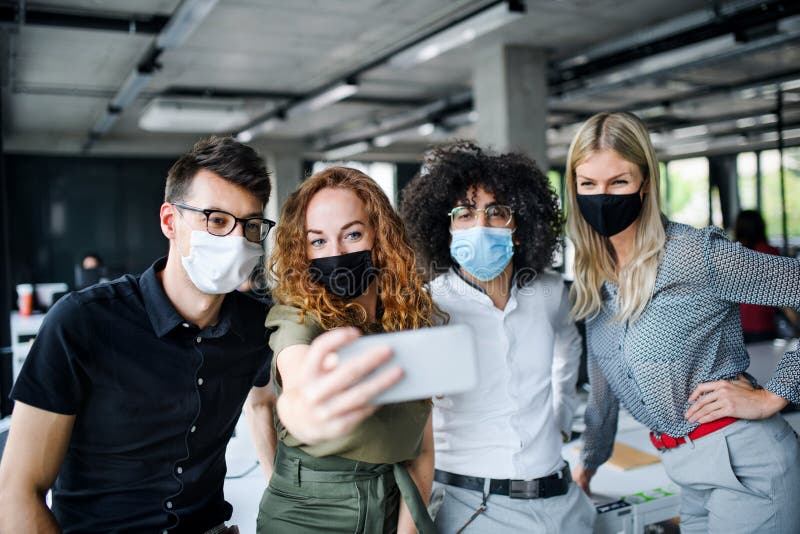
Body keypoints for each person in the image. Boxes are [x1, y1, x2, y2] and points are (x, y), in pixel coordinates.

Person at [0, 138, 400, 533]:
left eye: (249, 225)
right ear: (170, 221)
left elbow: (265, 404)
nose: (235, 240)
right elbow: (17, 490)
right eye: (216, 220)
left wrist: (279, 490)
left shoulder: (255, 327)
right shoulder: (81, 323)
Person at [566, 112, 800, 533]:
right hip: (686, 470)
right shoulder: (595, 280)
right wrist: (587, 466)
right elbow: (604, 392)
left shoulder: (692, 255)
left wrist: (773, 395)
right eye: (588, 184)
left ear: (645, 184)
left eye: (618, 182)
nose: (602, 197)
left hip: (745, 463)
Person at [400, 142, 596, 533]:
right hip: (473, 507)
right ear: (446, 227)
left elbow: (569, 346)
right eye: (465, 213)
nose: (481, 225)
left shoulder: (549, 291)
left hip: (563, 504)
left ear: (519, 225)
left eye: (497, 212)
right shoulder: (429, 308)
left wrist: (560, 419)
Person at [257, 166, 441, 534]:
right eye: (318, 241)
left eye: (352, 234)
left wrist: (407, 530)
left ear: (380, 236)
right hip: (308, 512)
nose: (336, 252)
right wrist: (304, 410)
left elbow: (422, 447)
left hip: (393, 502)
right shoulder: (298, 317)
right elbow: (297, 383)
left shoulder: (410, 319)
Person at [734, 209, 799, 342]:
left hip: (736, 325)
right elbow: (781, 294)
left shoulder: (733, 254)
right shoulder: (769, 253)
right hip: (762, 325)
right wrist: (796, 322)